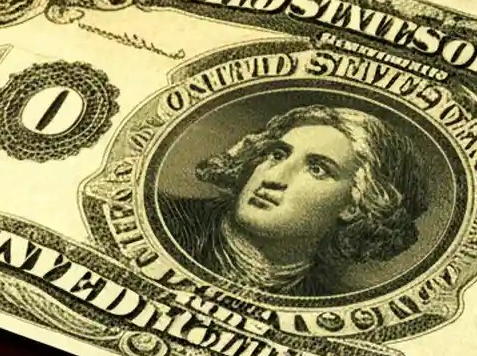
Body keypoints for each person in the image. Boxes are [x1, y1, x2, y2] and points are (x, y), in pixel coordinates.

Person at [158, 104, 430, 297]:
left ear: (356, 203)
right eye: (277, 155)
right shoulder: (165, 223)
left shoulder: (324, 304)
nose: (274, 176)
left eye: (317, 169)